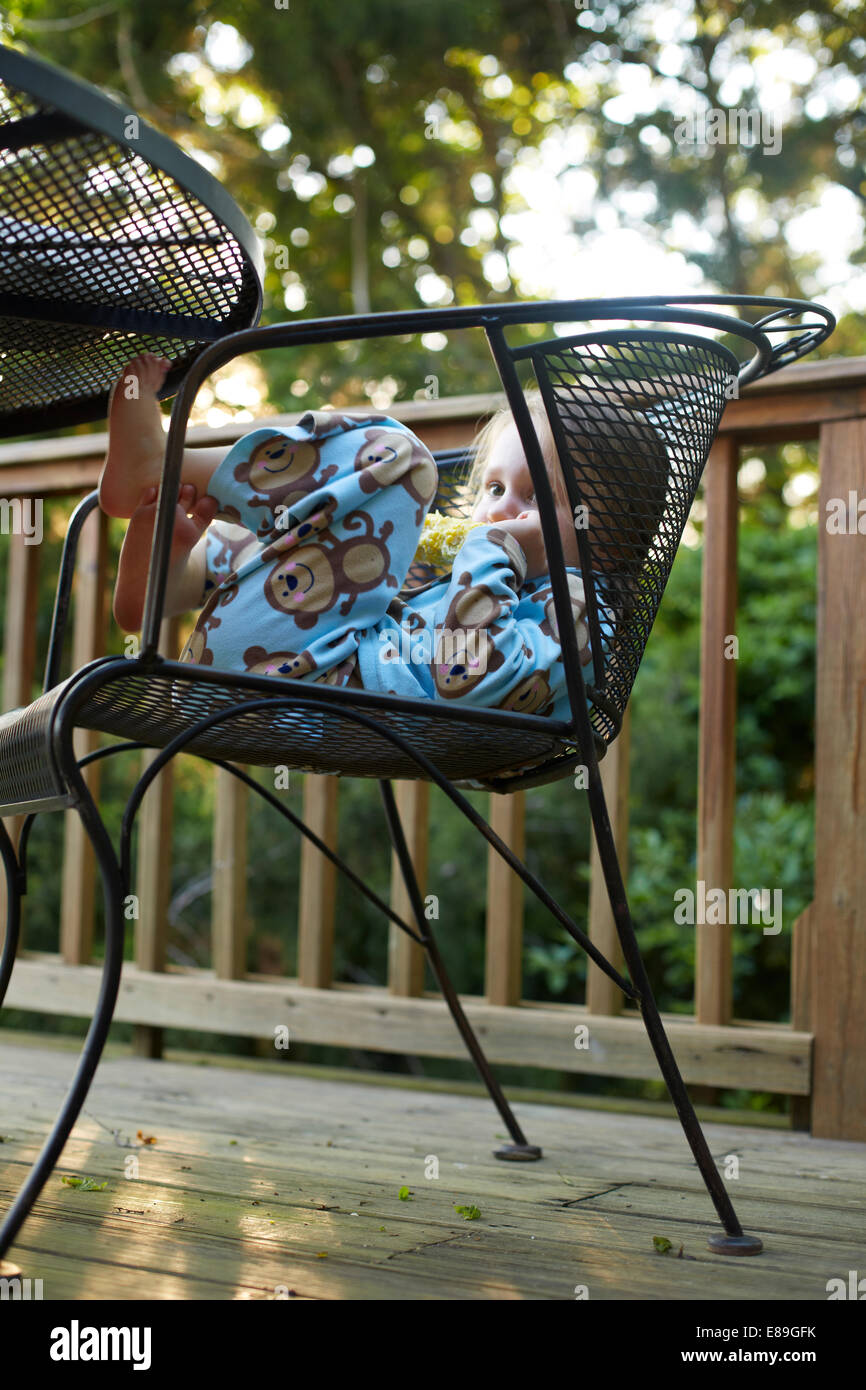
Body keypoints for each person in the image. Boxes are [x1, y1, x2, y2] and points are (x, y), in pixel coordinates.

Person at [100, 353, 667, 720]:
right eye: (493, 489)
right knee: (334, 532)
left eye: (536, 496)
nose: (499, 514)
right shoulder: (513, 587)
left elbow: (466, 678)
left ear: (608, 538)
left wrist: (492, 554)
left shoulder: (582, 616)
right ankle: (172, 583)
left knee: (401, 462)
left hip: (302, 685)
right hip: (290, 675)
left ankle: (164, 468)